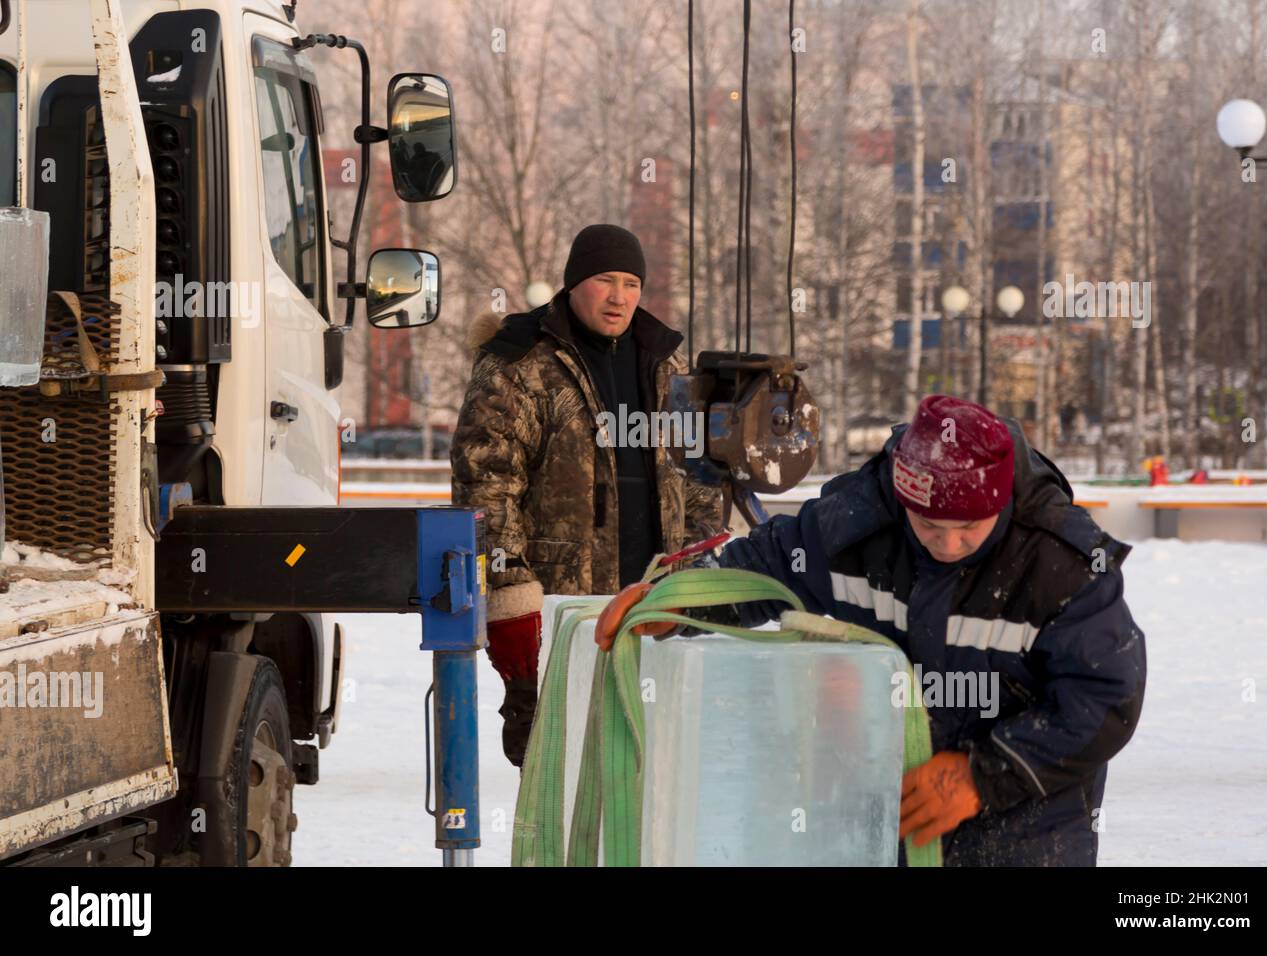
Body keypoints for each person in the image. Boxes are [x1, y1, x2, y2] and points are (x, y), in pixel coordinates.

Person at [692, 395, 1146, 865]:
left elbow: (1107, 695)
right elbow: (771, 564)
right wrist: (683, 597)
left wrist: (983, 776)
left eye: (970, 526)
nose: (948, 544)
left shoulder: (1061, 562)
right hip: (892, 813)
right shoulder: (859, 524)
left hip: (1027, 830)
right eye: (928, 524)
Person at [451, 223, 723, 766]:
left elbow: (696, 477)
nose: (619, 296)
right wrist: (512, 599)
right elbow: (487, 479)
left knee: (652, 771)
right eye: (605, 280)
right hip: (561, 606)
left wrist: (695, 571)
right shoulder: (519, 360)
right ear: (574, 282)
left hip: (653, 602)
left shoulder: (666, 362)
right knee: (565, 775)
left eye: (631, 283)